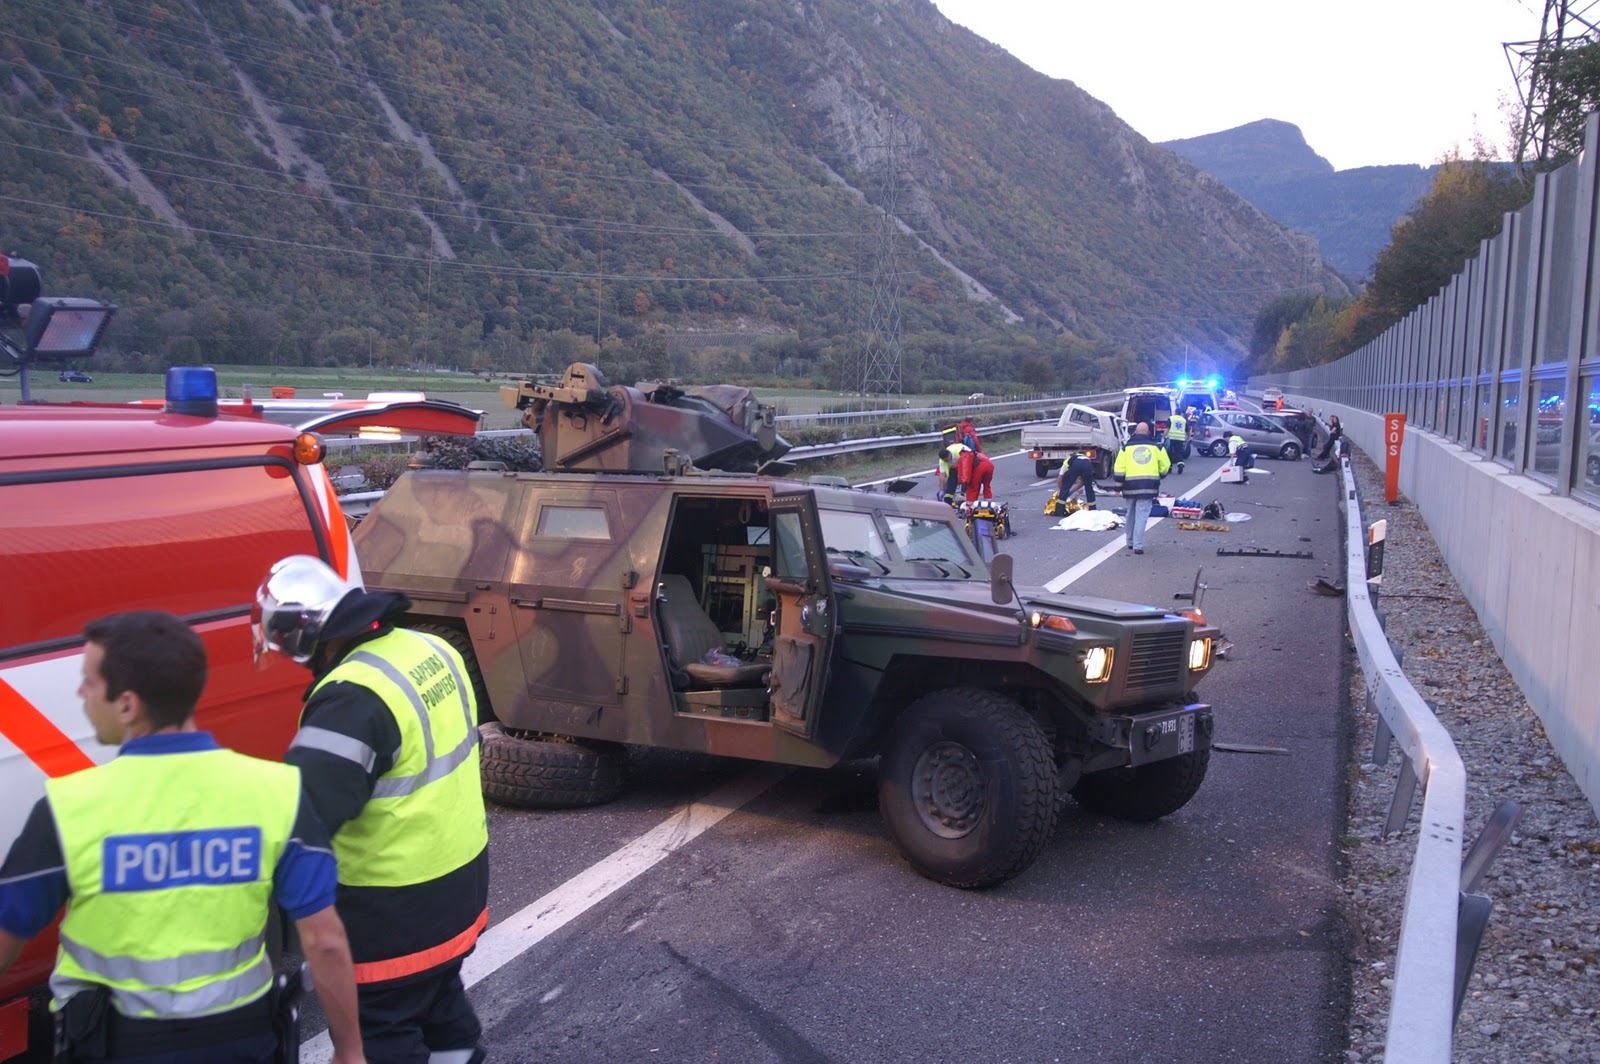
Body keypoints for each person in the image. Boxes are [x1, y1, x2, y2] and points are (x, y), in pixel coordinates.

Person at [0, 611, 364, 1064]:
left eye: (89, 682)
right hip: (243, 1042)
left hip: (113, 1046)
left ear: (128, 705)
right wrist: (349, 1051)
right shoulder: (278, 791)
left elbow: (6, 936)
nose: (81, 693)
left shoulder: (67, 807)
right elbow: (324, 939)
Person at [254, 557, 489, 1064]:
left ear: (304, 637)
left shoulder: (353, 698)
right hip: (459, 887)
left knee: (383, 1032)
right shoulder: (432, 648)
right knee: (439, 1004)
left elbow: (301, 814)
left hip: (390, 913)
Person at [1113, 421, 1170, 554]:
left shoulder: (1126, 448)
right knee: (1141, 516)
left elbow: (1119, 468)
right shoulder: (1156, 447)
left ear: (1136, 432)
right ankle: (1138, 545)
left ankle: (1129, 541)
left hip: (1130, 486)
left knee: (1130, 514)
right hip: (1148, 486)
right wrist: (1161, 475)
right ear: (1148, 432)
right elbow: (1165, 465)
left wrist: (1118, 487)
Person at [1166, 408, 1188, 474]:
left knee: (1169, 452)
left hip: (1171, 438)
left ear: (1175, 412)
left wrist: (1164, 436)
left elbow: (1167, 428)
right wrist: (1187, 437)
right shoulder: (1184, 420)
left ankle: (1169, 467)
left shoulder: (1171, 418)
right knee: (1178, 453)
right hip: (1180, 438)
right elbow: (1187, 430)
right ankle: (1180, 464)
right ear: (1180, 413)